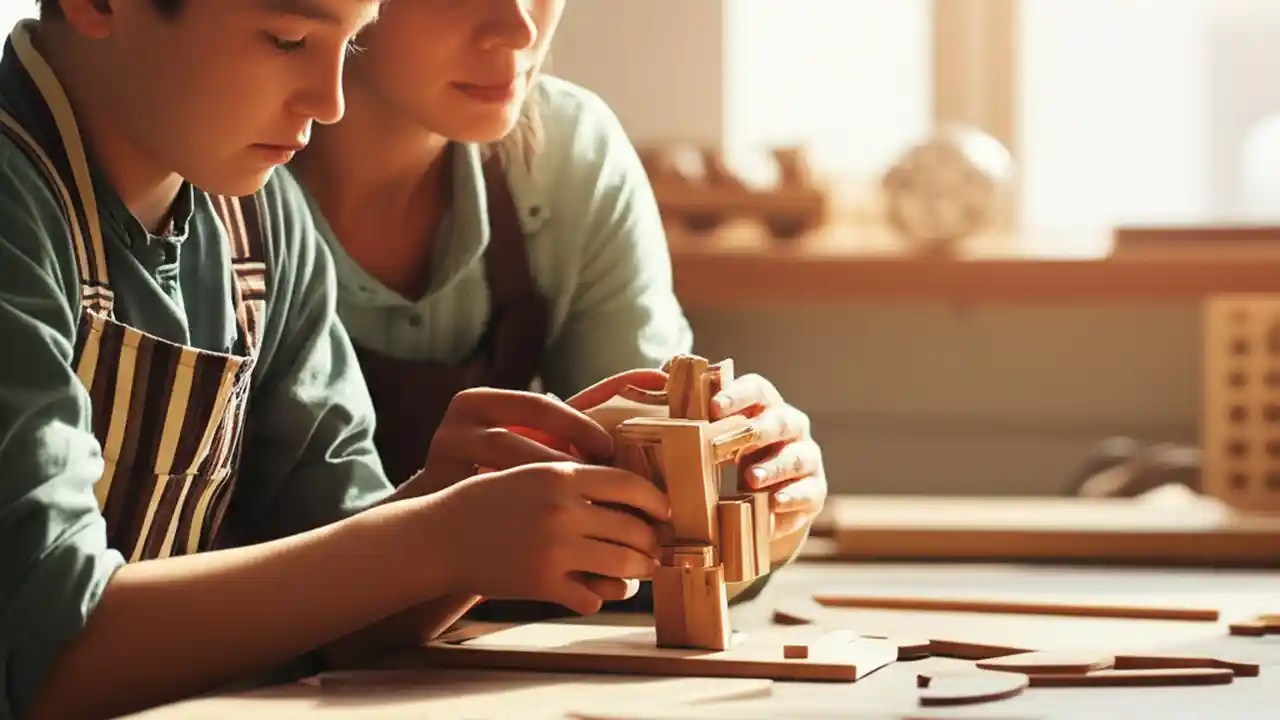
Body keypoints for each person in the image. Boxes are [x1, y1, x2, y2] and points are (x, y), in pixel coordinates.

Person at [0, 2, 669, 717]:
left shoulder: (263, 223)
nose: (331, 103)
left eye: (350, 45)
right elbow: (49, 656)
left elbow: (346, 613)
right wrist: (432, 541)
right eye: (289, 40)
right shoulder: (17, 206)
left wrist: (468, 501)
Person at [289, 0, 830, 603]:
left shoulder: (572, 154)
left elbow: (652, 527)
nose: (520, 27)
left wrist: (747, 518)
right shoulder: (234, 192)